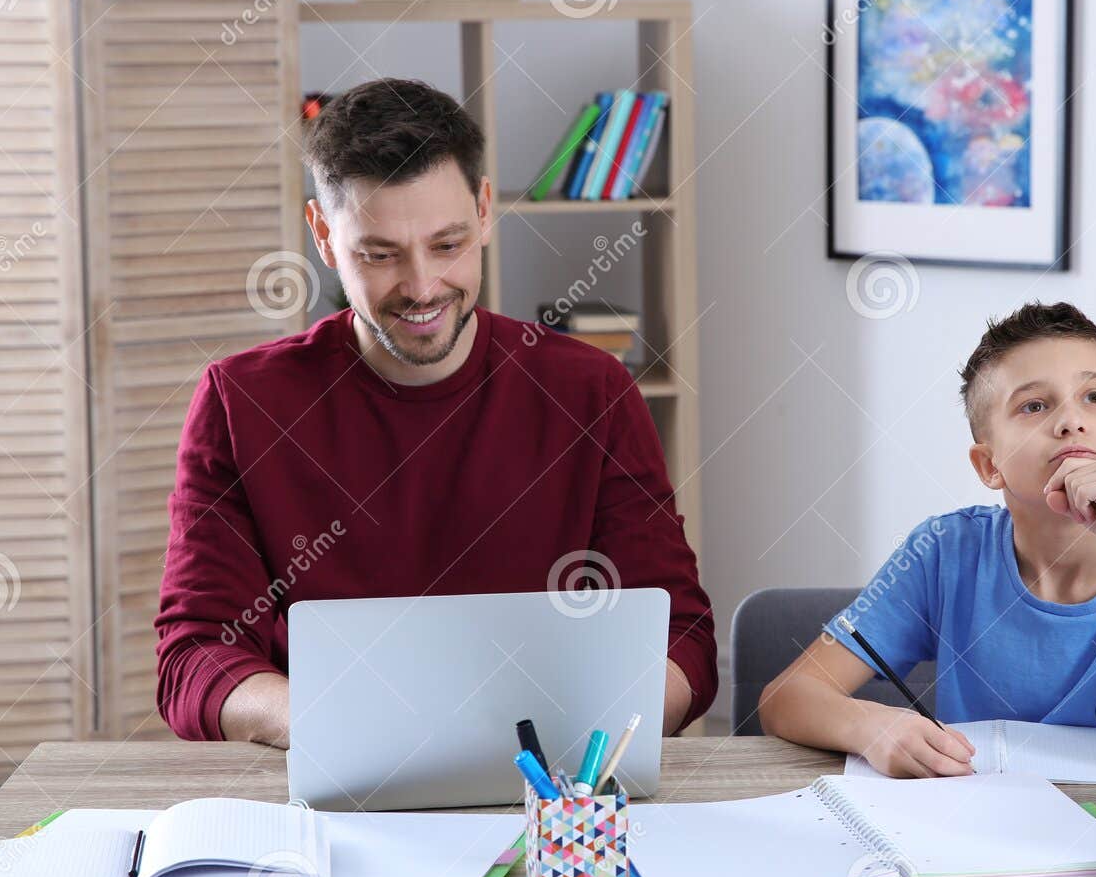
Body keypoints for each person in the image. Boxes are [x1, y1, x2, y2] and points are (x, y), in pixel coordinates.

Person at [154, 78, 715, 746]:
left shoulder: (592, 391)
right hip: (328, 780)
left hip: (552, 782)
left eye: (446, 245)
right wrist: (346, 728)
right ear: (324, 236)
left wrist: (585, 742)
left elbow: (680, 637)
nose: (421, 287)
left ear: (483, 211)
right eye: (379, 254)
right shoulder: (241, 402)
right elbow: (194, 658)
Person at [759, 300, 1096, 877]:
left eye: (1094, 396)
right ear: (988, 465)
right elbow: (787, 697)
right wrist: (872, 725)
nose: (1070, 419)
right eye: (1034, 406)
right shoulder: (943, 553)